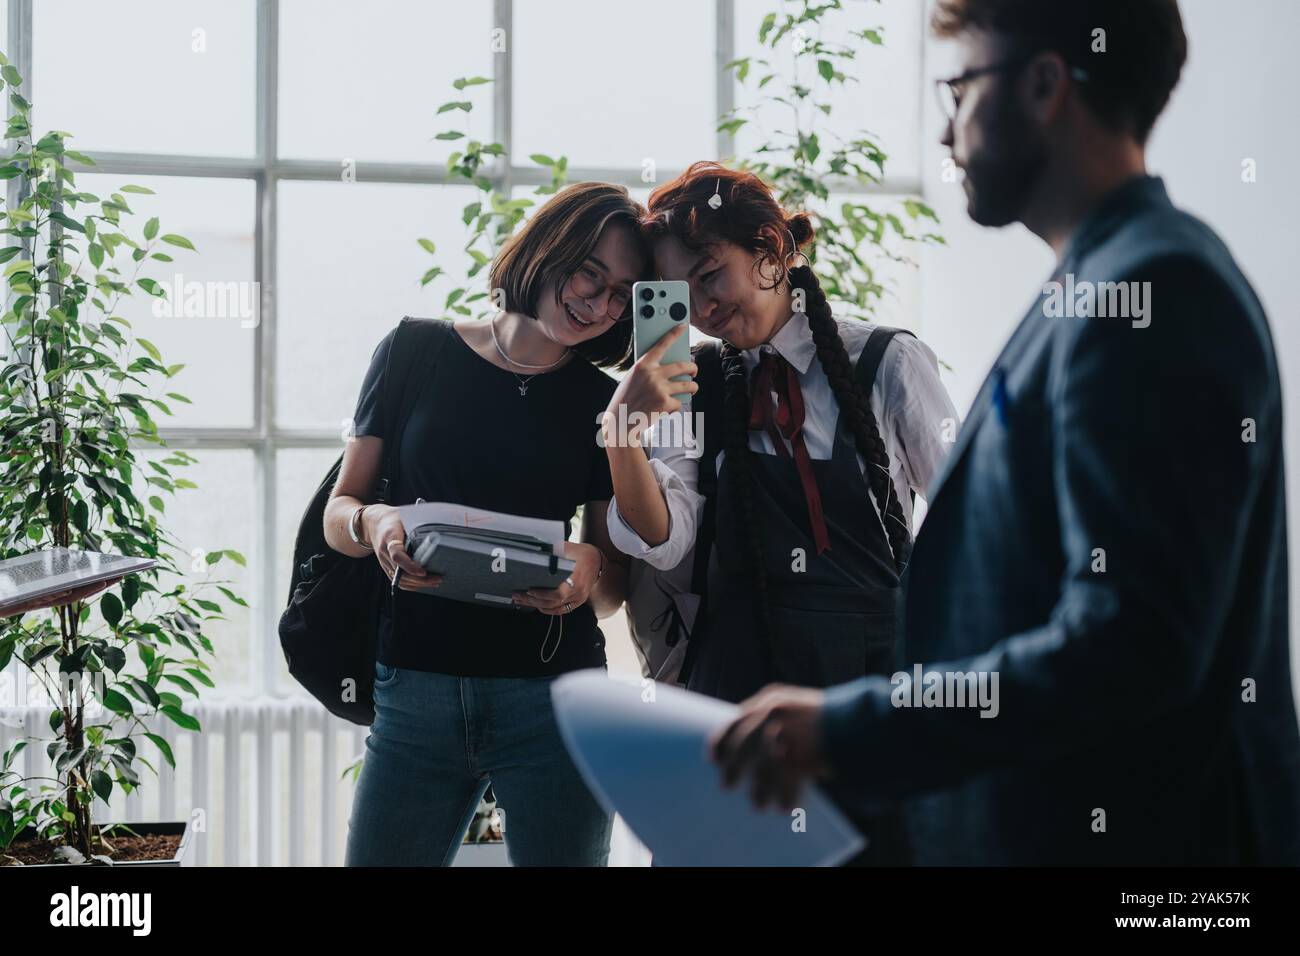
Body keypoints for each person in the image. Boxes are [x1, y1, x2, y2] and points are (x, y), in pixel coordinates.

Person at [710, 0, 1300, 865]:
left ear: (1044, 85)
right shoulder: (1104, 284)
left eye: (958, 90)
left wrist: (853, 726)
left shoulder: (1151, 292)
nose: (945, 135)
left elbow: (1132, 644)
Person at [603, 162, 957, 863]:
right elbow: (665, 541)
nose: (701, 309)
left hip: (862, 707)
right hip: (726, 708)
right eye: (681, 292)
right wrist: (623, 435)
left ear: (769, 251)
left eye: (710, 276)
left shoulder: (886, 362)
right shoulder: (687, 385)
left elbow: (965, 530)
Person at [330, 182, 647, 866]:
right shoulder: (415, 351)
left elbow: (612, 584)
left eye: (623, 291)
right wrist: (377, 520)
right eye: (591, 270)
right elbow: (340, 512)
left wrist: (589, 569)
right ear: (545, 248)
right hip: (415, 692)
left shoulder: (605, 401)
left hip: (556, 701)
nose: (601, 300)